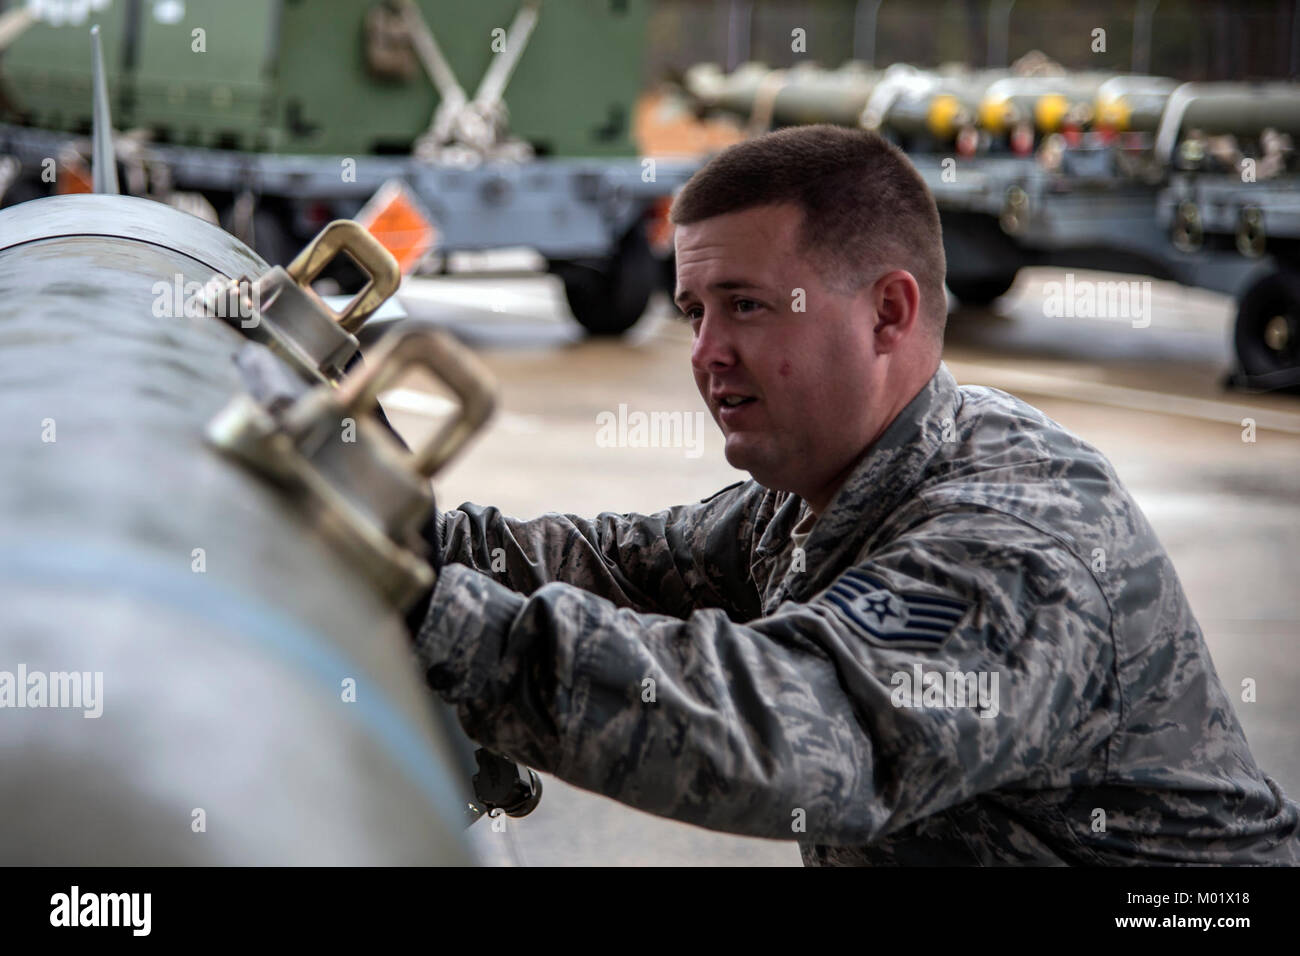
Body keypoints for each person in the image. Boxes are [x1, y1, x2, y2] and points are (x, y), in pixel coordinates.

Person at [406, 124, 1299, 865]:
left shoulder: (1016, 540)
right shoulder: (833, 485)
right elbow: (628, 564)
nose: (706, 353)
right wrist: (401, 544)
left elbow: (787, 727)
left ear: (888, 314)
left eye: (746, 306)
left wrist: (444, 624)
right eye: (694, 312)